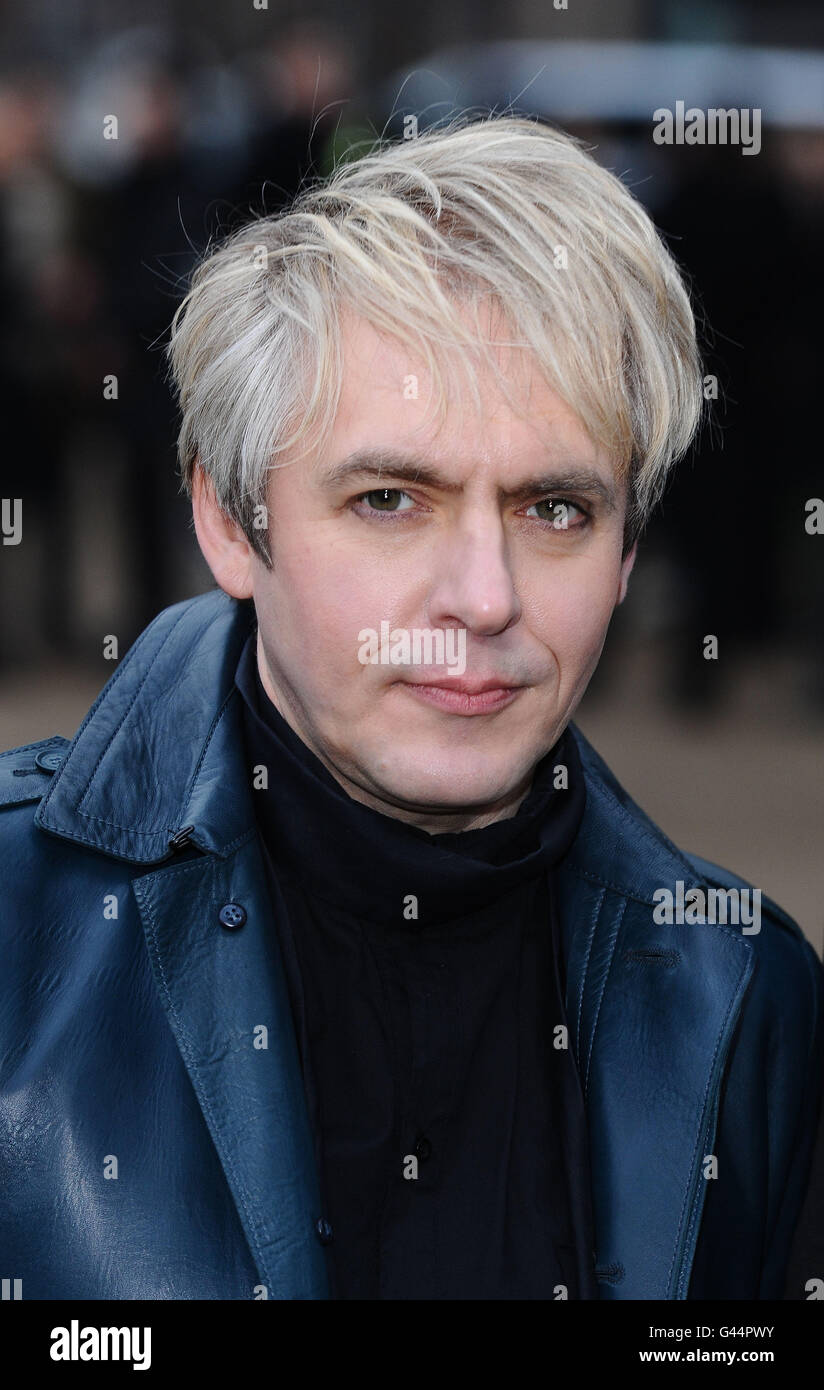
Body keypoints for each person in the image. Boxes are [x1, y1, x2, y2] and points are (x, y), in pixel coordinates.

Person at [0, 116, 820, 1301]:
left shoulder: (743, 992)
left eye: (554, 510)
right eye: (390, 498)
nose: (483, 598)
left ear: (630, 551)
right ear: (230, 521)